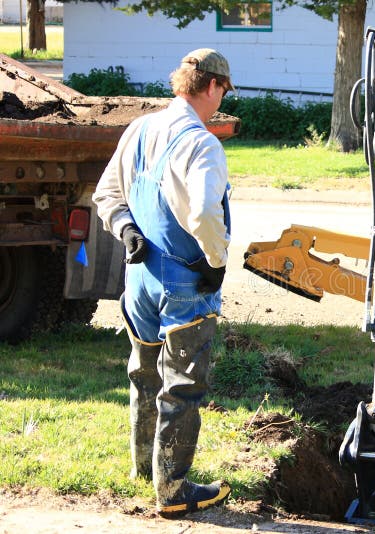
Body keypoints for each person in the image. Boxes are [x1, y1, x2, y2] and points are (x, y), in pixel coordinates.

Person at [93, 48, 234, 516]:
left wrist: (126, 230)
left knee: (143, 374)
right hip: (184, 284)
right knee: (181, 386)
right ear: (212, 86)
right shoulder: (203, 143)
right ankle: (172, 490)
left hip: (139, 281)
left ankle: (142, 469)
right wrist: (215, 260)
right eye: (223, 92)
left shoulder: (140, 128)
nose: (221, 101)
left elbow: (107, 193)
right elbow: (203, 213)